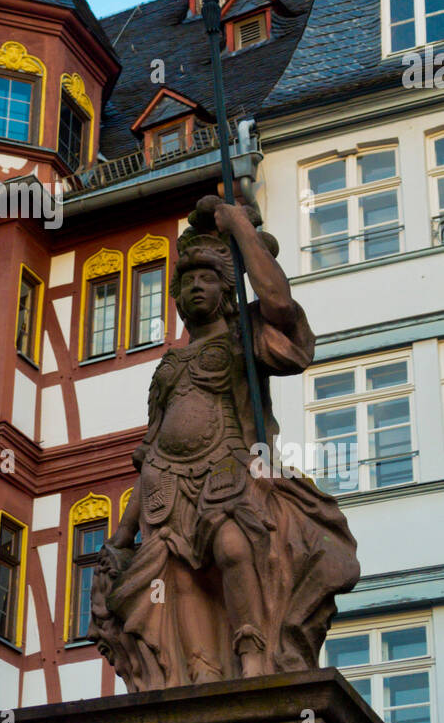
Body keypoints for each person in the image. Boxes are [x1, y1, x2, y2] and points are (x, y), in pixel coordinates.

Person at [89, 195, 359, 692]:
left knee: (233, 549)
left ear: (227, 288)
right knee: (179, 575)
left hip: (229, 468)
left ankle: (252, 648)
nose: (195, 287)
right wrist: (123, 535)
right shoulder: (170, 365)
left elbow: (280, 306)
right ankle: (202, 671)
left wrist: (238, 227)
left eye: (207, 278)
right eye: (187, 280)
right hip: (167, 483)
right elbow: (149, 452)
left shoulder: (245, 337)